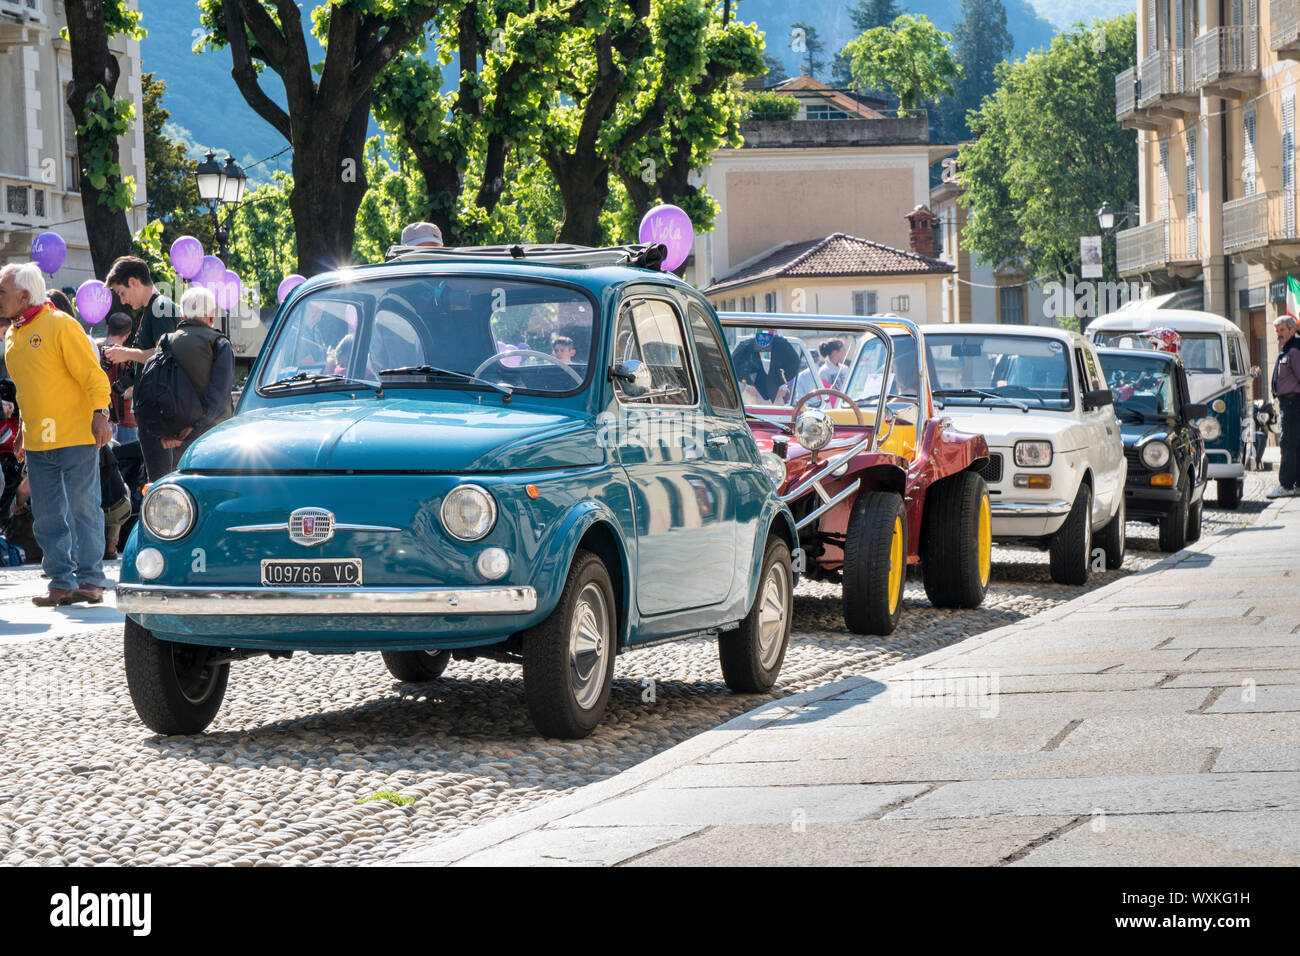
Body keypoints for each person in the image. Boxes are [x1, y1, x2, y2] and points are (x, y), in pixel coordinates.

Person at [0, 262, 112, 605]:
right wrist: (23, 431)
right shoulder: (13, 334)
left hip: (75, 435)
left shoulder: (61, 324)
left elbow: (93, 375)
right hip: (38, 440)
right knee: (47, 517)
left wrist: (101, 414)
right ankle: (60, 582)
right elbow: (27, 389)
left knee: (83, 510)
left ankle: (90, 580)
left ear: (24, 296)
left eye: (2, 292)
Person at [102, 255, 179, 483]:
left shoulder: (161, 306)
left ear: (134, 282)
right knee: (158, 479)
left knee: (161, 480)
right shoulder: (153, 309)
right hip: (153, 411)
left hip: (159, 413)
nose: (123, 300)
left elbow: (164, 354)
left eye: (121, 293)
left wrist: (126, 354)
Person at [156, 286, 235, 454]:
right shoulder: (219, 343)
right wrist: (195, 428)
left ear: (182, 316)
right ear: (212, 316)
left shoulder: (165, 342)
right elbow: (219, 396)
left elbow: (156, 388)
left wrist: (168, 432)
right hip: (215, 434)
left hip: (175, 438)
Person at [1267, 315, 1300, 499]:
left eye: (1282, 330)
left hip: (1293, 403)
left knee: (1287, 443)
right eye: (1277, 330)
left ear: (1292, 330)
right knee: (1295, 444)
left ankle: (1286, 485)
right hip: (1289, 403)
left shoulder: (1294, 351)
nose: (1278, 334)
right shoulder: (1287, 349)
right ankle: (1297, 484)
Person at [99, 311, 138, 444]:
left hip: (99, 420)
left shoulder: (93, 350)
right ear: (128, 334)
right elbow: (131, 392)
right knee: (129, 457)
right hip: (126, 420)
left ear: (107, 328)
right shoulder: (131, 356)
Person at [100, 443, 131, 560]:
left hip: (91, 513)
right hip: (120, 509)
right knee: (124, 489)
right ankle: (111, 545)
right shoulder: (107, 453)